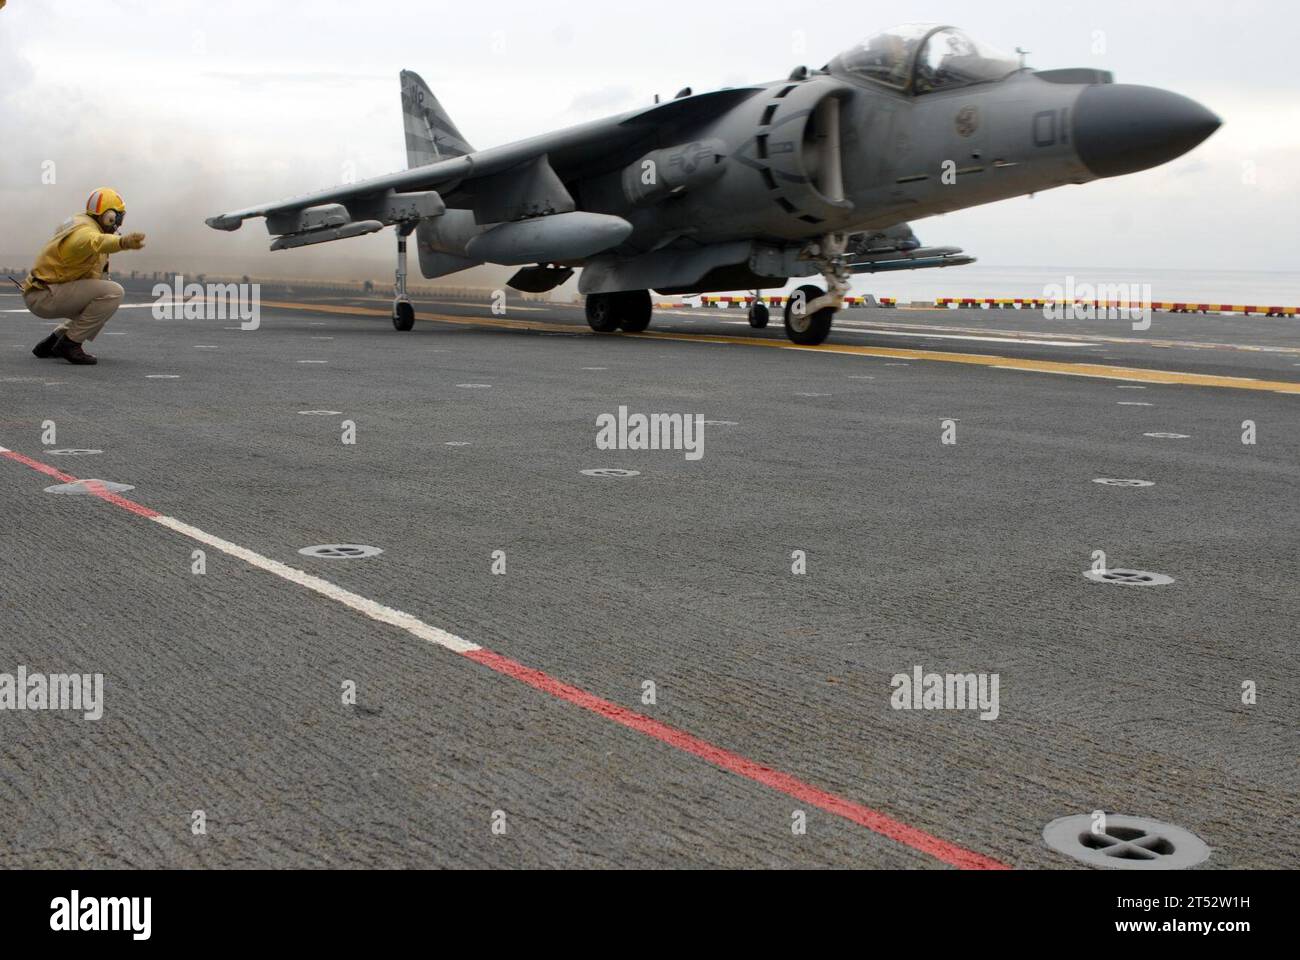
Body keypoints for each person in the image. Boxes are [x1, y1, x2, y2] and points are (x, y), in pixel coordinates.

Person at [22, 188, 146, 365]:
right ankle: (70, 343)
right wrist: (121, 242)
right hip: (45, 295)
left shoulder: (80, 222)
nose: (118, 223)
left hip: (42, 291)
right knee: (113, 293)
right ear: (108, 216)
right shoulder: (85, 232)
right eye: (117, 217)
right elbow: (94, 241)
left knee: (98, 298)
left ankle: (52, 342)